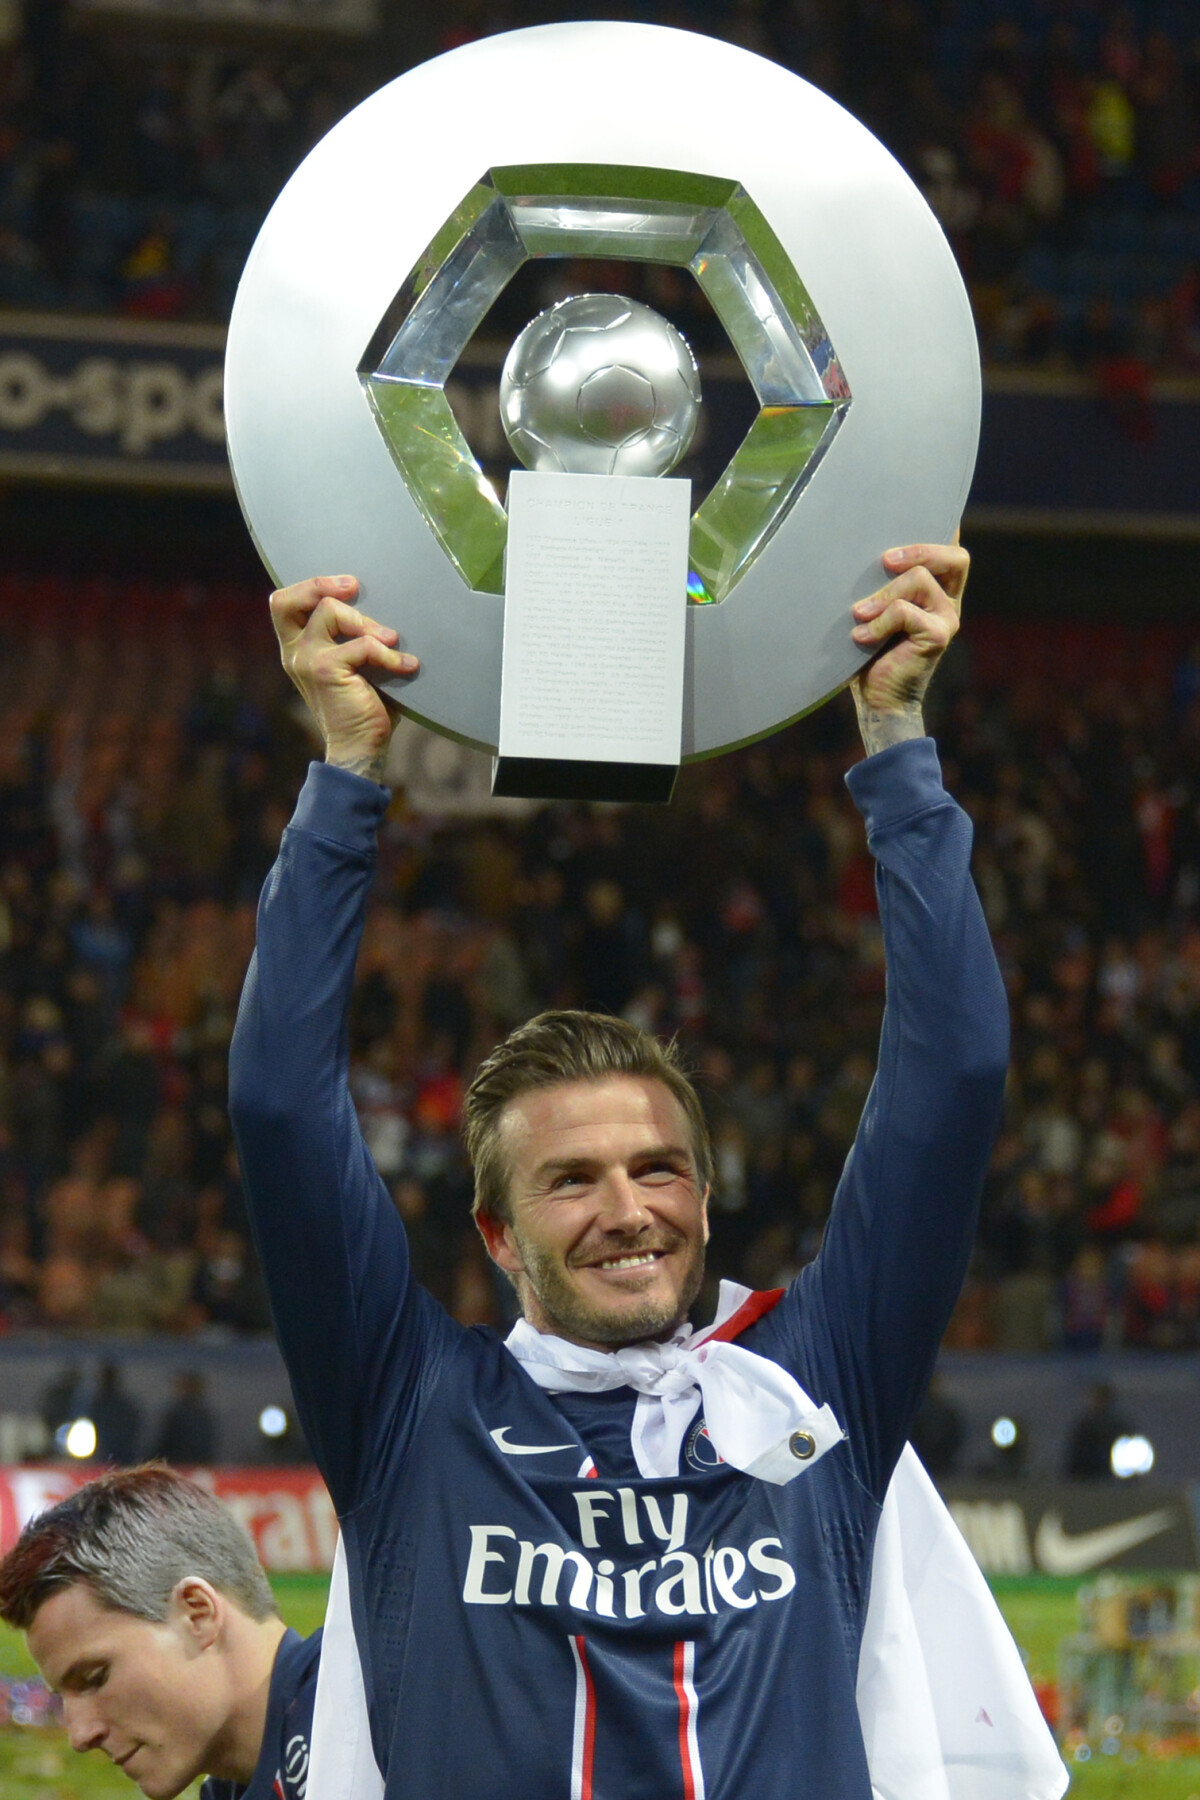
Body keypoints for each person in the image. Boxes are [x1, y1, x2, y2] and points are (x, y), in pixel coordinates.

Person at [227, 548, 1046, 1800]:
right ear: (497, 1236)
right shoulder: (408, 1410)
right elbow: (282, 1106)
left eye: (659, 1168)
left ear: (706, 1203)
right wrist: (347, 775)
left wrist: (897, 744)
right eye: (572, 1181)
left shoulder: (816, 1386)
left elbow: (957, 1077)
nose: (628, 1211)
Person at [0, 1464, 319, 1800]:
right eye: (62, 1697)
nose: (80, 1735)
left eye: (96, 1677)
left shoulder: (366, 1712)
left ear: (198, 1614)